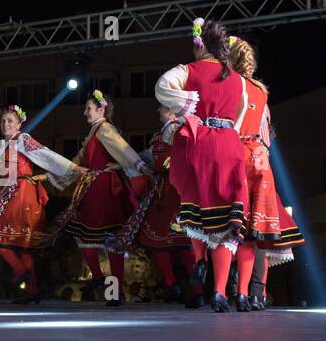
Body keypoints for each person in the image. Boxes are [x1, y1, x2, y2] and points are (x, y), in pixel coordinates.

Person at [155, 18, 250, 313]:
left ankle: (199, 261)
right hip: (229, 144)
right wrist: (226, 129)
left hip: (199, 142)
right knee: (225, 223)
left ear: (199, 44)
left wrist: (187, 107)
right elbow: (242, 111)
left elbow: (161, 86)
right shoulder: (236, 77)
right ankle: (220, 292)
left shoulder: (188, 70)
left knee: (195, 209)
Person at [0, 105, 82, 304]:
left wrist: (72, 168)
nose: (5, 124)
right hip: (12, 191)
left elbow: (45, 154)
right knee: (20, 246)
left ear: (19, 124)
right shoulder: (3, 147)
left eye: (10, 121)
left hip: (21, 193)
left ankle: (22, 273)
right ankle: (32, 289)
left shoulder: (22, 139)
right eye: (3, 121)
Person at [49, 89, 147, 307]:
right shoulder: (94, 132)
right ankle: (99, 278)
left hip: (105, 189)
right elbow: (79, 160)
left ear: (101, 109)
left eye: (89, 108)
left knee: (111, 241)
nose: (85, 112)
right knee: (81, 235)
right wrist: (56, 172)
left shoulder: (105, 129)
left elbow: (124, 150)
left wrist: (131, 165)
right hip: (92, 188)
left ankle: (115, 292)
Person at [227, 35, 303, 311]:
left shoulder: (233, 87)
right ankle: (254, 293)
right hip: (260, 160)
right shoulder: (262, 91)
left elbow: (230, 125)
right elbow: (266, 134)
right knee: (259, 230)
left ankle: (233, 290)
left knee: (234, 227)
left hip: (237, 156)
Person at [114, 104, 195, 304]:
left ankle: (183, 287)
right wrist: (124, 163)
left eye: (161, 107)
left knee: (174, 241)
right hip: (165, 190)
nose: (157, 110)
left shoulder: (182, 128)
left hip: (175, 191)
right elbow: (147, 157)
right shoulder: (162, 134)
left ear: (170, 110)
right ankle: (182, 287)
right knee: (171, 241)